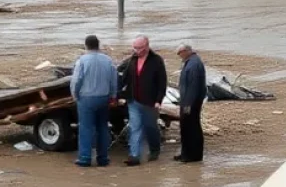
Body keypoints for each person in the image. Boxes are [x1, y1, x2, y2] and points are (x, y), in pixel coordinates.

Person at [70, 35, 118, 168]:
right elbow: (113, 80)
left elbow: (76, 80)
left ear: (86, 46)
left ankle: (85, 158)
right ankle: (103, 158)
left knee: (86, 128)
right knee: (102, 127)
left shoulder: (82, 61)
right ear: (98, 45)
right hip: (104, 97)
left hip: (86, 98)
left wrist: (74, 94)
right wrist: (113, 95)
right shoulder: (108, 60)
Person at [120, 35, 167, 166]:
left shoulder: (156, 60)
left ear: (146, 46)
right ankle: (134, 156)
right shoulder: (132, 60)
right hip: (133, 100)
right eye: (134, 48)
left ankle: (154, 149)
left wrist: (159, 100)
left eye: (139, 48)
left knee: (150, 127)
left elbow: (162, 82)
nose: (136, 50)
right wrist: (119, 94)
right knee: (135, 127)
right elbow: (124, 77)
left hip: (150, 101)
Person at [175, 42, 207, 163]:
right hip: (188, 101)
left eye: (180, 53)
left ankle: (191, 155)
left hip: (191, 103)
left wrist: (188, 105)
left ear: (186, 51)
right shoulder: (191, 62)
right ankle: (186, 152)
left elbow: (193, 86)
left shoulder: (194, 64)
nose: (179, 56)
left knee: (191, 128)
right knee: (187, 128)